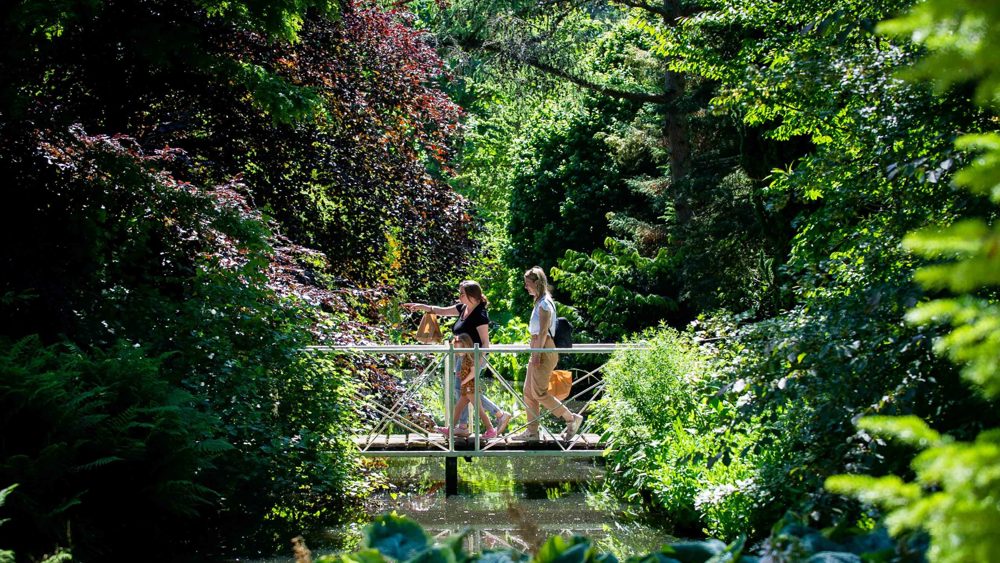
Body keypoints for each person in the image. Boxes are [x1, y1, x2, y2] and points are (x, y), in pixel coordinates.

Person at [402, 280, 512, 436]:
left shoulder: (480, 315)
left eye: (462, 294)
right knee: (462, 391)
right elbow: (441, 311)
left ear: (472, 295)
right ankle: (465, 426)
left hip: (474, 358)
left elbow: (485, 343)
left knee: (466, 391)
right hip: (462, 358)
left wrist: (479, 363)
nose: (460, 296)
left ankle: (497, 415)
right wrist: (422, 307)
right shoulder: (462, 308)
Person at [513, 267, 583, 442]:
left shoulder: (544, 303)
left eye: (528, 283)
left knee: (539, 392)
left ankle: (571, 418)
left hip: (543, 349)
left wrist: (537, 354)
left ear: (537, 283)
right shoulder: (539, 302)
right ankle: (532, 432)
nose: (525, 287)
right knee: (529, 392)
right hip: (538, 348)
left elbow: (544, 331)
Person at [448, 333, 497, 438]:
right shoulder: (463, 358)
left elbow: (474, 373)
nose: (458, 351)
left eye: (461, 348)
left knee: (479, 410)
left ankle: (491, 429)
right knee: (458, 408)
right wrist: (461, 374)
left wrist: (464, 381)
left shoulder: (469, 358)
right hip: (466, 389)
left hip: (470, 388)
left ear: (467, 346)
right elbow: (467, 371)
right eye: (456, 348)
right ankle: (450, 429)